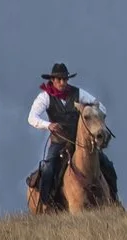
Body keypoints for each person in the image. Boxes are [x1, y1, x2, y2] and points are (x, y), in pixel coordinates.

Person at [28, 63, 118, 208]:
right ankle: (46, 204)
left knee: (107, 165)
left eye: (65, 79)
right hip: (59, 141)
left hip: (81, 141)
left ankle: (114, 200)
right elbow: (32, 117)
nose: (62, 82)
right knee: (49, 168)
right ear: (52, 80)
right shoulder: (44, 97)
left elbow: (100, 106)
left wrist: (90, 111)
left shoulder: (78, 93)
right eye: (59, 79)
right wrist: (48, 125)